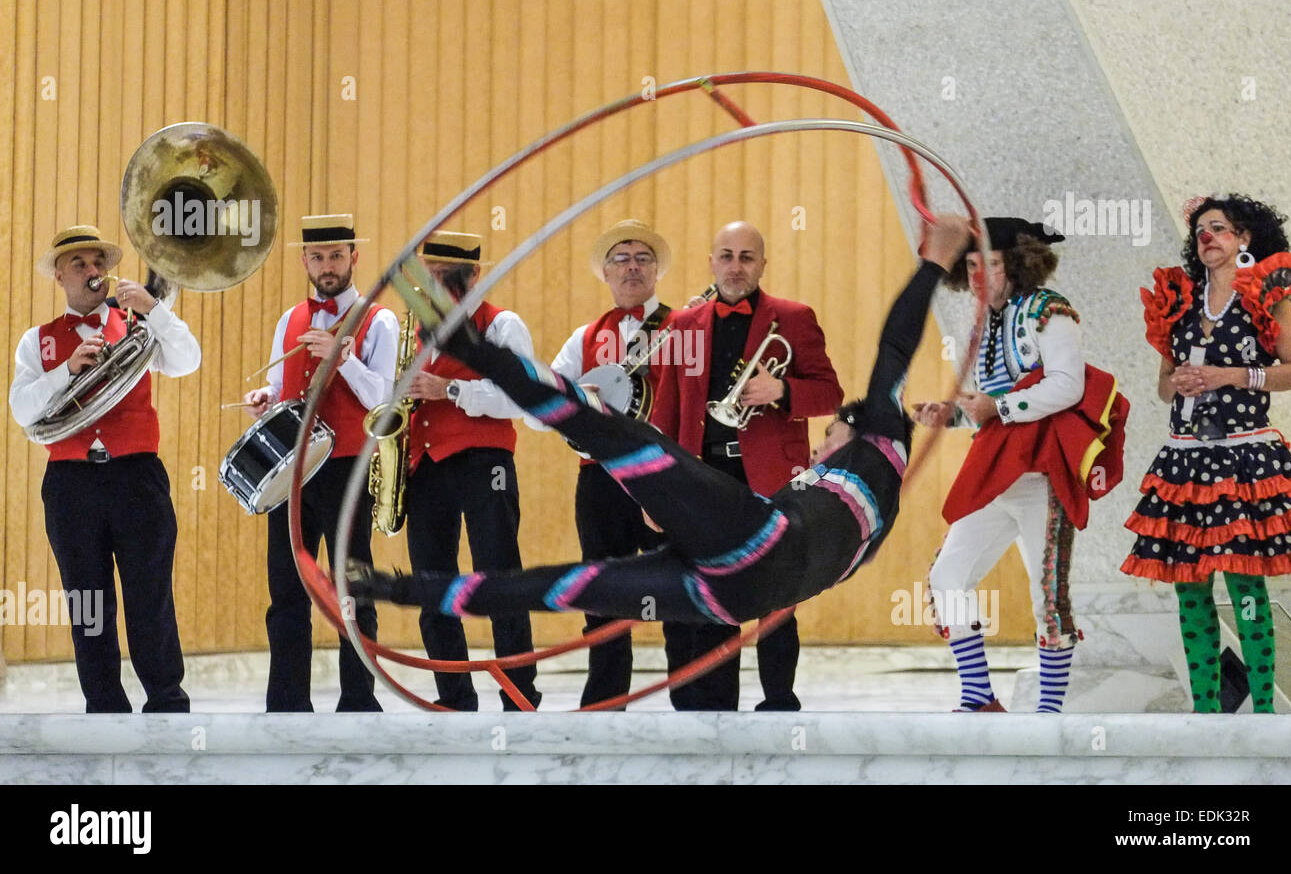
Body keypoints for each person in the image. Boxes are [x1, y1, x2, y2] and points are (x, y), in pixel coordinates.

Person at [348, 216, 975, 691]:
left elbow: (896, 342)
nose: (821, 445)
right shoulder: (876, 483)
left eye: (828, 436)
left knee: (611, 439)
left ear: (851, 432)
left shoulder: (878, 436)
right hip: (730, 592)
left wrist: (933, 261)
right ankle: (405, 590)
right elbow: (892, 357)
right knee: (564, 585)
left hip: (755, 542)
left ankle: (466, 345)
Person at [915, 217, 1127, 713]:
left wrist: (999, 408)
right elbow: (992, 408)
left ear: (1017, 264)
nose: (976, 276)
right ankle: (978, 697)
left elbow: (1066, 386)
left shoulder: (1050, 311)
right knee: (947, 576)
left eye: (987, 263)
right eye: (968, 265)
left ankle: (1048, 712)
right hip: (998, 475)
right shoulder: (984, 320)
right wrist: (950, 416)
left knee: (1047, 594)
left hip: (1043, 479)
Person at [650, 221, 843, 711]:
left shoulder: (794, 318)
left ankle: (780, 702)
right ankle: (717, 710)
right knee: (715, 592)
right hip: (705, 477)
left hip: (772, 478)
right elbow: (665, 414)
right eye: (727, 256)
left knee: (778, 597)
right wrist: (655, 491)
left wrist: (782, 391)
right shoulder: (681, 325)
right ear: (711, 262)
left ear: (762, 263)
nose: (736, 266)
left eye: (747, 257)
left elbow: (831, 393)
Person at [9, 225, 201, 712]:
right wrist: (68, 370)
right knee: (87, 600)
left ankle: (166, 700)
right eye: (80, 264)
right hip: (72, 484)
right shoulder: (39, 341)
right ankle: (104, 704)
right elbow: (22, 409)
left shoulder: (136, 324)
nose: (94, 272)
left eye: (99, 263)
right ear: (59, 275)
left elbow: (187, 361)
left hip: (137, 477)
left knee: (149, 591)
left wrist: (155, 310)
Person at [1125, 194, 1291, 713]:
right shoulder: (1177, 299)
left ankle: (1263, 711)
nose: (1207, 236)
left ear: (1244, 238)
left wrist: (1230, 376)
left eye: (1219, 227)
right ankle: (1206, 710)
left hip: (1244, 456)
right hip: (1184, 458)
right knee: (1189, 584)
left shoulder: (1267, 296)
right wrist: (1176, 383)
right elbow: (1161, 386)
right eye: (1201, 229)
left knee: (1246, 581)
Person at [242, 214, 399, 712]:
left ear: (355, 257)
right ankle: (287, 705)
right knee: (286, 592)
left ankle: (358, 701)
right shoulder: (288, 319)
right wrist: (265, 399)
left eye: (336, 256)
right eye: (317, 257)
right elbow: (285, 391)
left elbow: (385, 399)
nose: (326, 266)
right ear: (303, 261)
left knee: (352, 589)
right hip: (292, 470)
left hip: (348, 469)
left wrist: (342, 357)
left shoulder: (380, 320)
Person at [403, 231, 542, 711]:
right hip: (425, 464)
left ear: (474, 276)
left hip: (486, 462)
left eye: (446, 277)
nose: (434, 286)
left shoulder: (501, 323)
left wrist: (452, 391)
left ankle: (519, 695)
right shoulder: (416, 328)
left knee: (499, 579)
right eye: (430, 277)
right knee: (432, 584)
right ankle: (454, 698)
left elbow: (526, 400)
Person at [551, 220, 675, 707]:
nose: (631, 267)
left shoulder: (683, 327)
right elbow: (544, 404)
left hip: (665, 477)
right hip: (600, 481)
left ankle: (692, 695)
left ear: (656, 271)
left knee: (677, 586)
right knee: (603, 591)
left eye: (642, 258)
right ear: (605, 272)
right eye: (621, 259)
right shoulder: (583, 337)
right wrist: (580, 409)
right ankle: (605, 697)